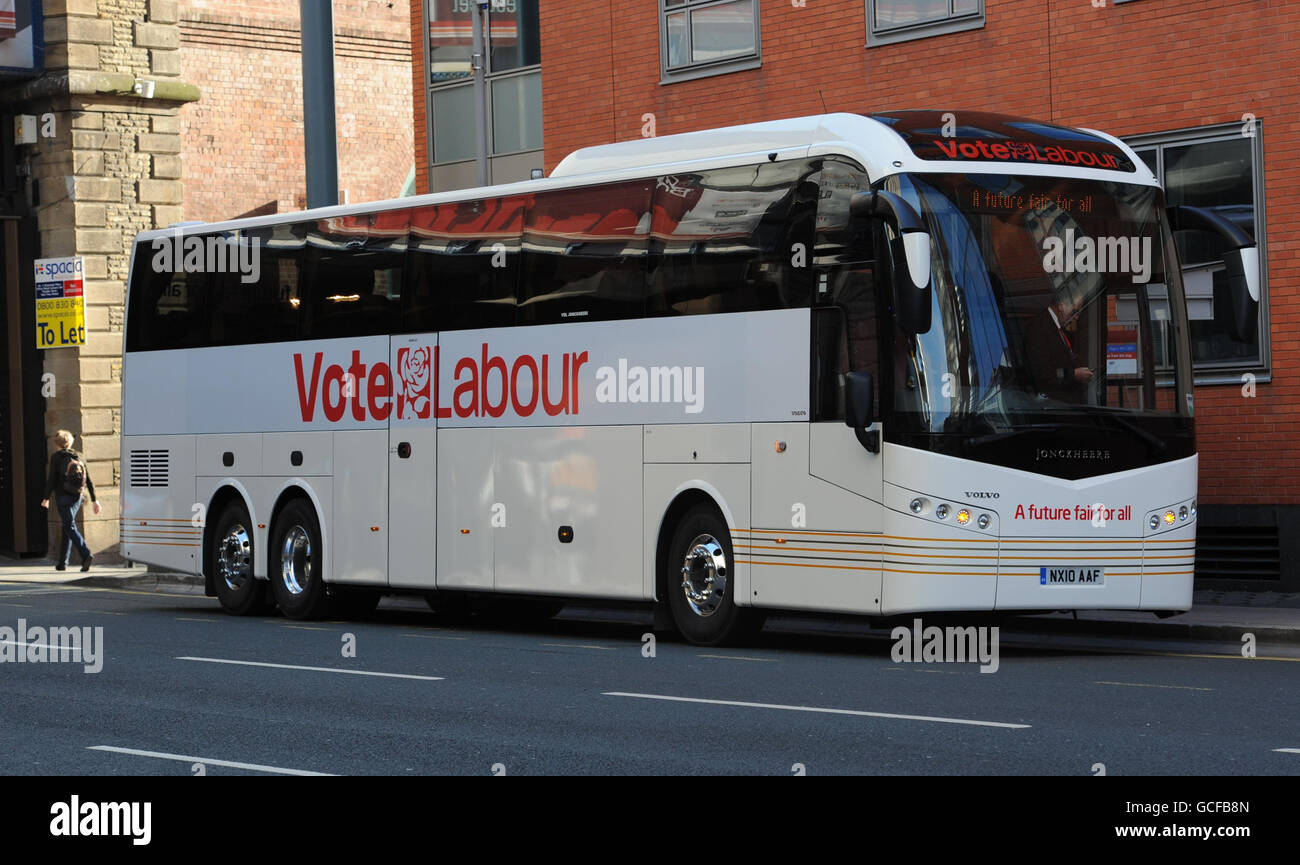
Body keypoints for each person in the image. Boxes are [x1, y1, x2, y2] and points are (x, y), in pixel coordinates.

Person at [39, 430, 101, 572]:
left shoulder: (56, 457)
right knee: (67, 526)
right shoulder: (80, 456)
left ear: (57, 444)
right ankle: (63, 563)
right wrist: (94, 500)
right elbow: (89, 480)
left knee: (69, 527)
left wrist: (46, 498)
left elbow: (52, 480)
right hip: (78, 497)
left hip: (63, 497)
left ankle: (86, 554)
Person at [1023, 293, 1095, 402]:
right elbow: (1043, 373)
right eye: (1075, 311)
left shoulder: (1055, 325)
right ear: (1062, 306)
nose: (1077, 317)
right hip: (1053, 403)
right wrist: (1074, 374)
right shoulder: (1039, 328)